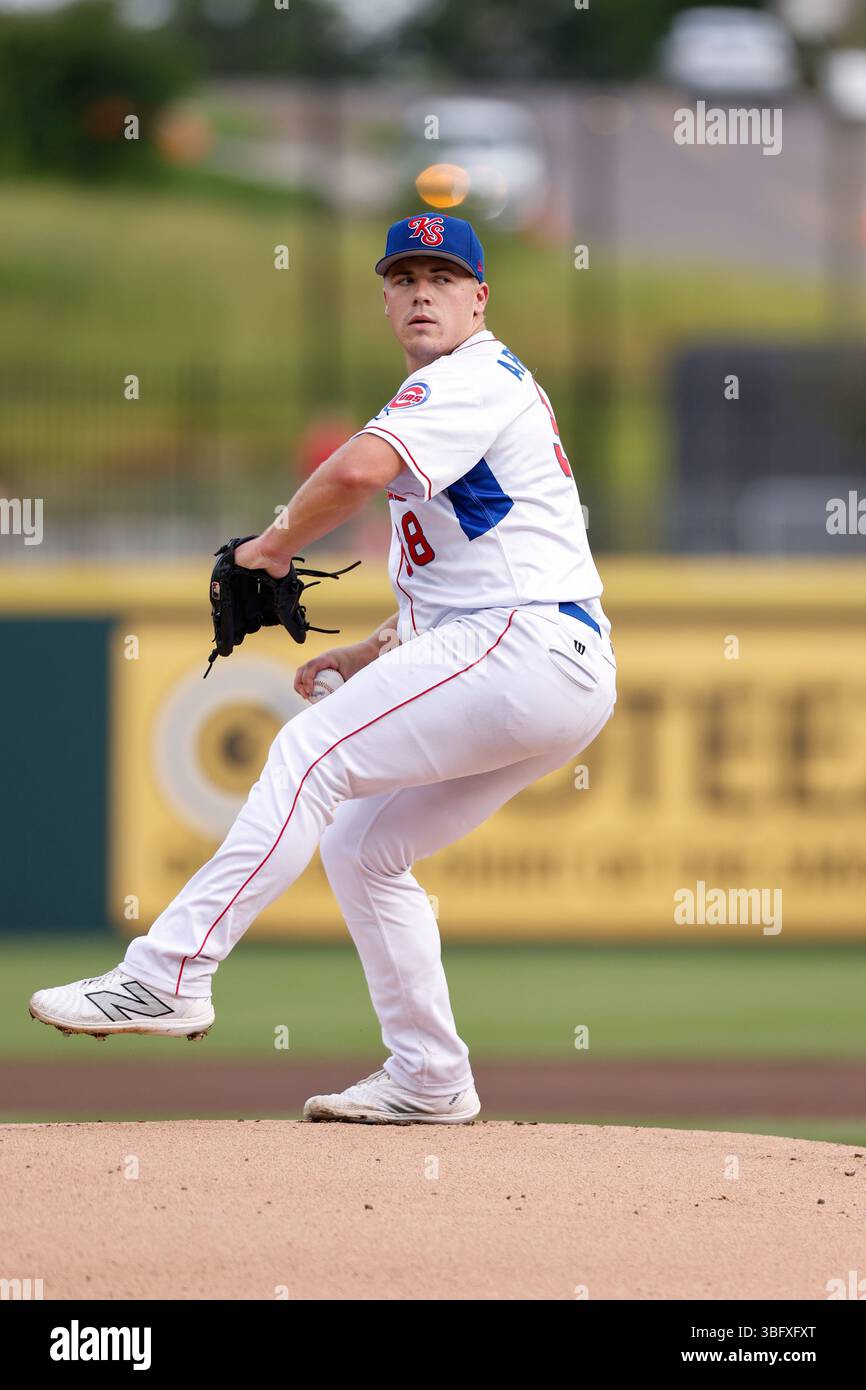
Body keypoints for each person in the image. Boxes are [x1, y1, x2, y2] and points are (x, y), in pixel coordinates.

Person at [28, 213, 617, 1125]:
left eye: (443, 277)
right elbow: (476, 572)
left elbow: (354, 473)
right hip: (544, 659)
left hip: (526, 645)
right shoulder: (472, 389)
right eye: (404, 277)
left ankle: (168, 976)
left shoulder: (470, 379)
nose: (423, 291)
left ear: (479, 298)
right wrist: (374, 647)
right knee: (364, 845)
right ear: (385, 298)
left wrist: (269, 548)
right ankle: (429, 1076)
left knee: (308, 755)